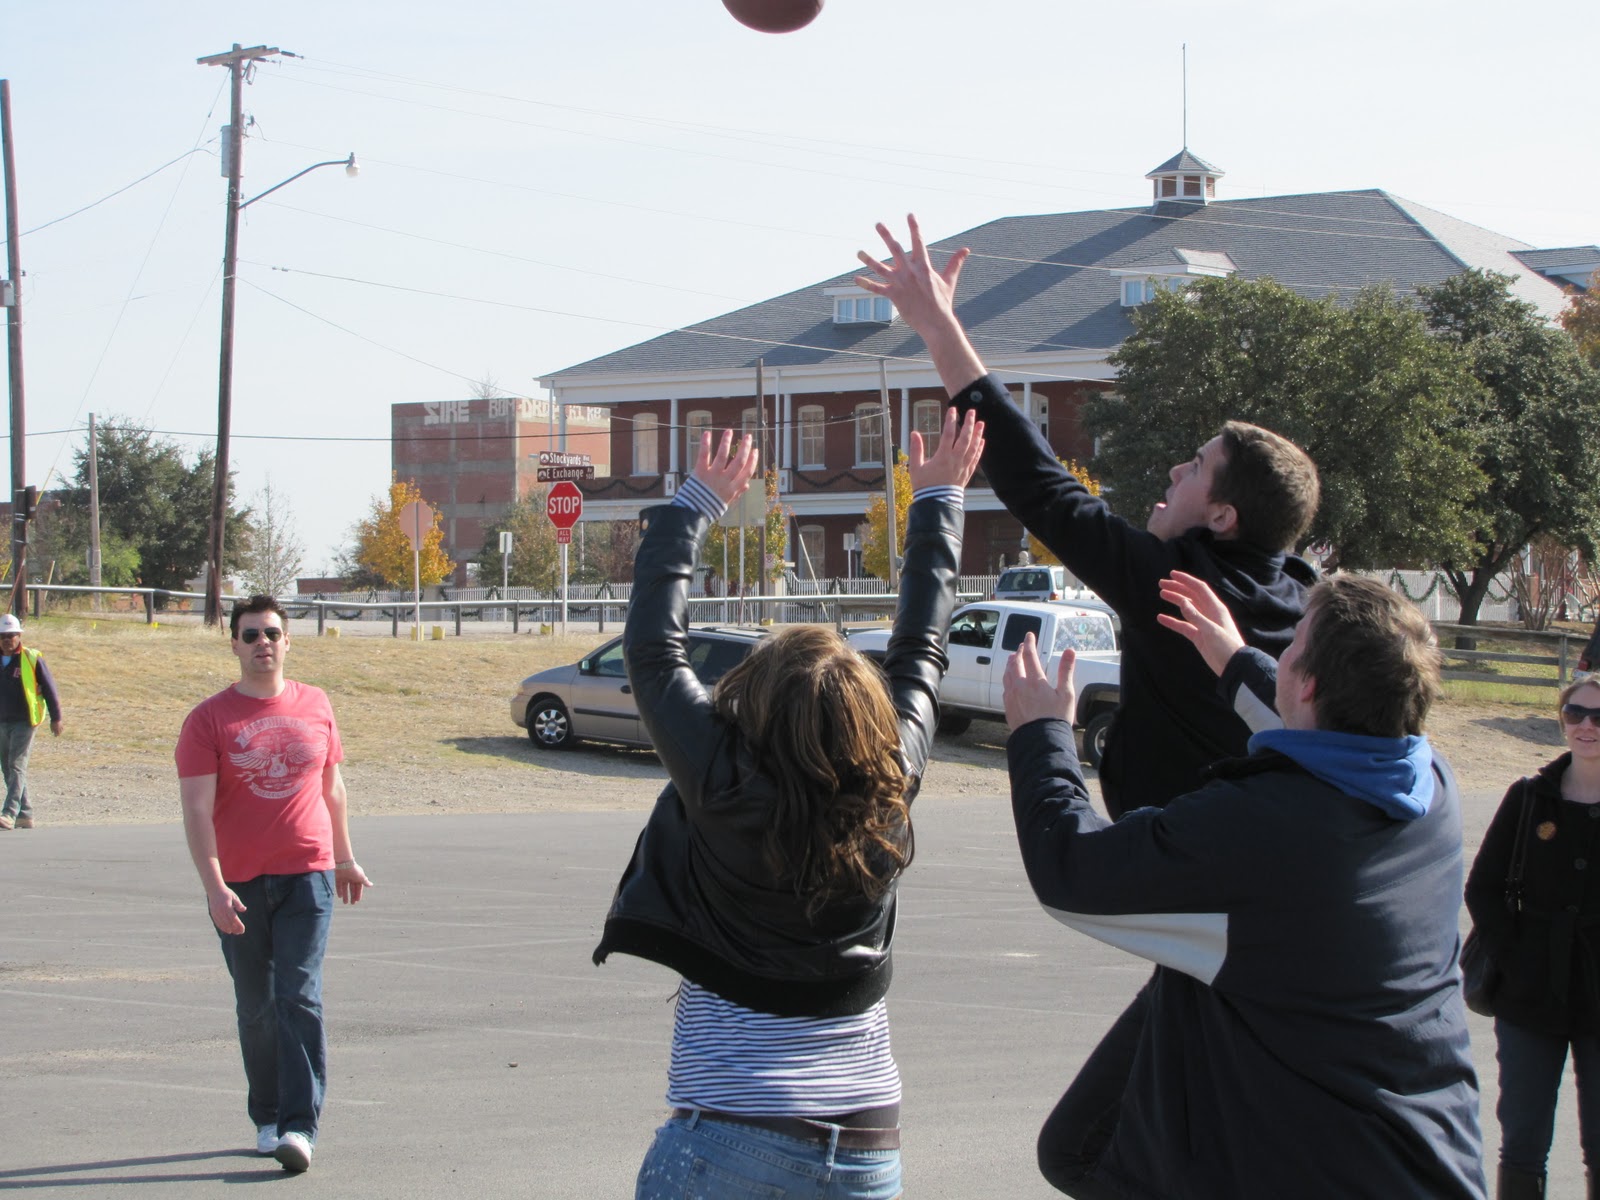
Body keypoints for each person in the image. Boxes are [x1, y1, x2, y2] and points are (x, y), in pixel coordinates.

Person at [594, 409, 982, 1198]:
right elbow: (921, 649)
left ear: (754, 702)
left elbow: (652, 649)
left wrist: (697, 502)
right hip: (871, 1145)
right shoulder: (893, 779)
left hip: (731, 1140)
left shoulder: (723, 783)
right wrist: (939, 498)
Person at [996, 570, 1484, 1198]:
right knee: (1077, 1145)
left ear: (1306, 682)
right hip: (1428, 1150)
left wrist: (1041, 736)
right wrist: (1234, 662)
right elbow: (1315, 732)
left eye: (1291, 647)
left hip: (1338, 1170)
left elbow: (1072, 868)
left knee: (1083, 1152)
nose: (1277, 660)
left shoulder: (1262, 829)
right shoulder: (1427, 781)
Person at [857, 216, 1320, 817]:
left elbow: (1041, 485)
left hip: (1179, 878)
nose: (1177, 470)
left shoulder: (1180, 591)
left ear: (1224, 516)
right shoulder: (1305, 598)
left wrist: (937, 324)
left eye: (1198, 467)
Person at [175, 596, 374, 1174]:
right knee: (256, 1005)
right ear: (233, 644)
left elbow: (331, 790)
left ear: (288, 642)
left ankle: (298, 1126)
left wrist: (344, 858)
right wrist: (213, 887)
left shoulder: (316, 704)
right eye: (250, 634)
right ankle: (266, 1114)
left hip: (306, 875)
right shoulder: (209, 719)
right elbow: (196, 809)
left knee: (298, 992)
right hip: (238, 882)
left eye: (272, 633)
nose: (262, 643)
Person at [1467, 674, 1600, 1199]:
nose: (1587, 726)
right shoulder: (1528, 797)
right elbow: (1484, 888)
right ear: (1562, 720)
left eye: (1599, 716)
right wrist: (1515, 956)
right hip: (1528, 993)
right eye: (1576, 715)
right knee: (1522, 1137)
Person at [0, 612, 63, 830]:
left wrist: (56, 718)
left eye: (12, 635)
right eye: (3, 636)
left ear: (19, 636)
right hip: (2, 721)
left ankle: (9, 812)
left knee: (16, 764)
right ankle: (25, 814)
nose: (7, 640)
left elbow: (50, 689)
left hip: (26, 720)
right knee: (6, 767)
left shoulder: (31, 658)